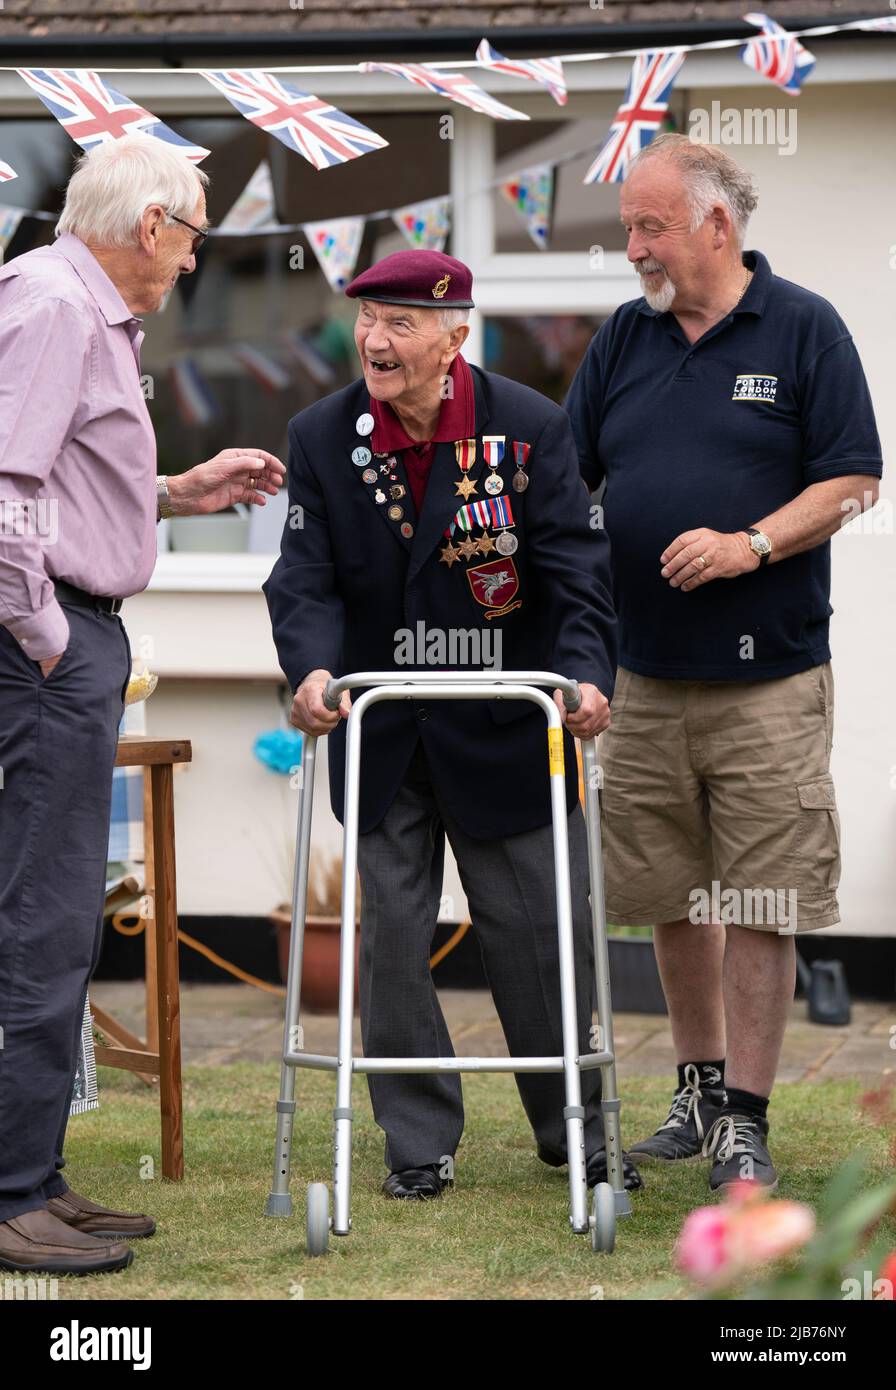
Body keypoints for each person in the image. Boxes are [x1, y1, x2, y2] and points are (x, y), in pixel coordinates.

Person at [265, 248, 643, 1200]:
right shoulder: (322, 433)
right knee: (392, 937)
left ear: (453, 337)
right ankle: (417, 1144)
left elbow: (574, 576)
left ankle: (579, 1133)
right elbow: (302, 578)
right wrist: (310, 670)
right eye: (366, 320)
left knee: (540, 934)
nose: (374, 342)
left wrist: (587, 677)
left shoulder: (528, 428)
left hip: (506, 725)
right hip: (383, 725)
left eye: (398, 325)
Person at [564, 134, 882, 1194]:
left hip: (767, 680)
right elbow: (566, 486)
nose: (633, 251)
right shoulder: (622, 339)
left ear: (715, 223)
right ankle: (695, 1089)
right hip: (643, 675)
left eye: (648, 228)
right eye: (627, 231)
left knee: (759, 897)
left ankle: (745, 1118)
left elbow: (850, 481)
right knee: (667, 893)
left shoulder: (802, 328)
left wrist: (748, 542)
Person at [0, 133, 284, 1275]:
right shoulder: (55, 307)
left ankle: (36, 1174)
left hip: (64, 640)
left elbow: (63, 483)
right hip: (45, 652)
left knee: (59, 913)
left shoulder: (74, 306)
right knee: (41, 914)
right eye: (194, 234)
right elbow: (6, 492)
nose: (193, 258)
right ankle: (12, 1191)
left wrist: (174, 493)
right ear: (151, 226)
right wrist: (50, 637)